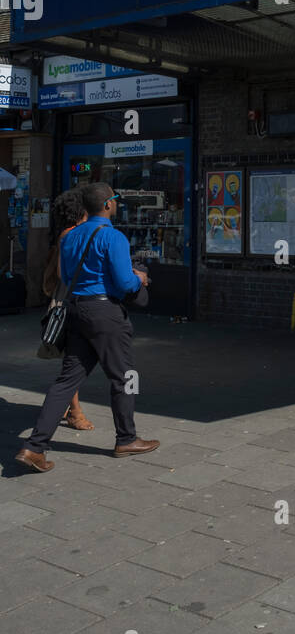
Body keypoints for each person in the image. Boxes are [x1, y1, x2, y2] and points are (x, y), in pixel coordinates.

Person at [16, 182, 158, 472]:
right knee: (124, 376)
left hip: (76, 310)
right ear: (107, 204)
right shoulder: (113, 237)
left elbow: (66, 276)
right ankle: (126, 439)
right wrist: (139, 280)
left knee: (66, 381)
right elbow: (123, 282)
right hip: (105, 312)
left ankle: (34, 447)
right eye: (115, 200)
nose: (116, 204)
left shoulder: (69, 237)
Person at [41, 188, 93, 431]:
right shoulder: (71, 235)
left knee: (72, 357)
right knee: (72, 358)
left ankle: (67, 405)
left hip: (66, 298)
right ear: (81, 211)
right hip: (68, 299)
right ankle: (74, 411)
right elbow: (66, 273)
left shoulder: (67, 233)